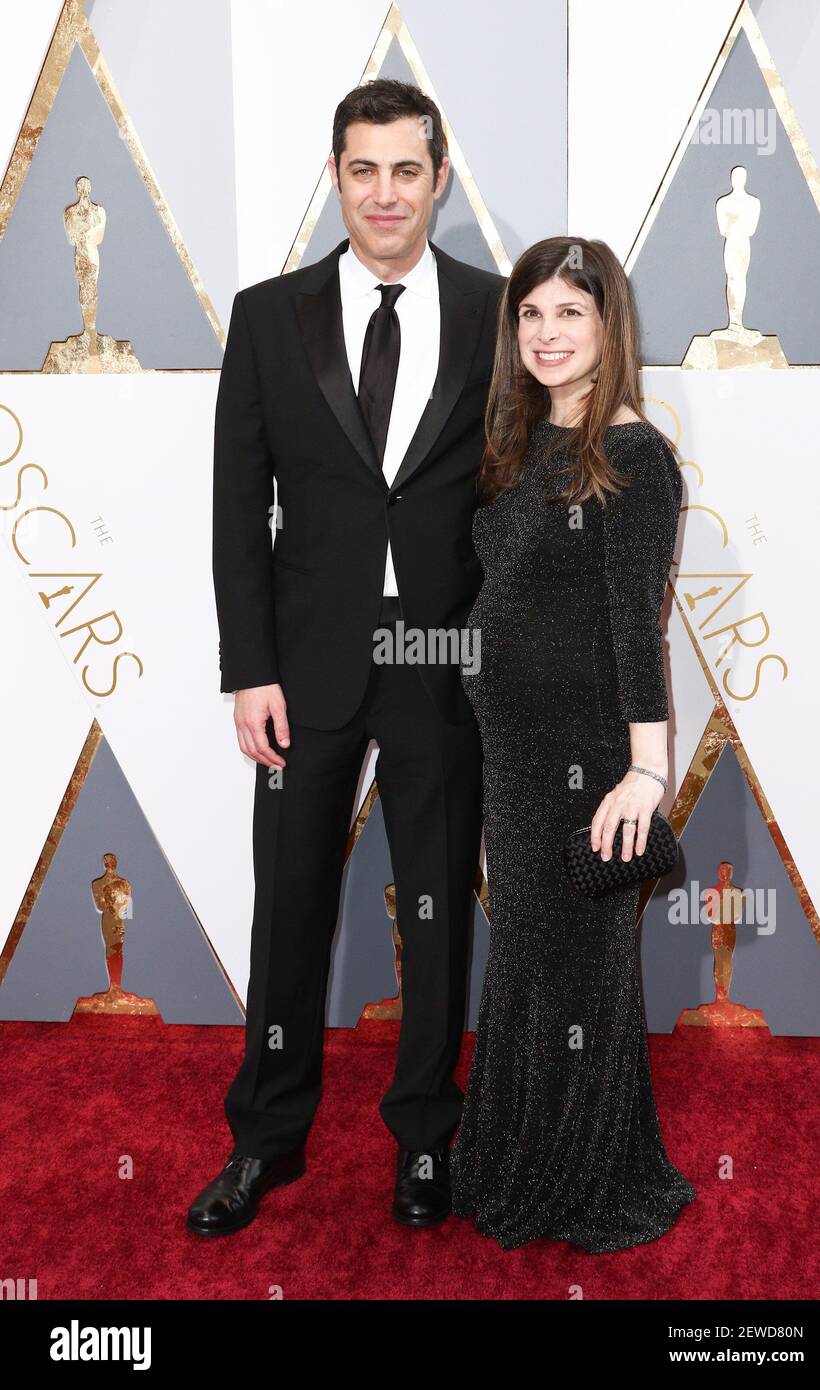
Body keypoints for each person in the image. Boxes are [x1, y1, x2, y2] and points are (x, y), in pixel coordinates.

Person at [187, 79, 504, 1237]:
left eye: (405, 170)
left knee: (432, 910)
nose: (384, 192)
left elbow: (512, 492)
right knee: (290, 912)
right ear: (336, 177)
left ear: (438, 178)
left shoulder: (492, 311)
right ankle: (265, 1140)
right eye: (362, 169)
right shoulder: (268, 317)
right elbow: (237, 508)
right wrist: (246, 666)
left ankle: (424, 1137)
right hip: (304, 661)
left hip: (436, 654)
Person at [449, 236, 697, 1251]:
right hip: (511, 759)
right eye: (531, 315)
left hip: (586, 762)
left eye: (570, 315)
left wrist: (643, 769)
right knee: (525, 963)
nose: (546, 335)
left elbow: (633, 624)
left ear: (608, 327)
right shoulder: (519, 443)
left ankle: (584, 1177)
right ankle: (518, 1154)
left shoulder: (631, 455)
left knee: (573, 978)